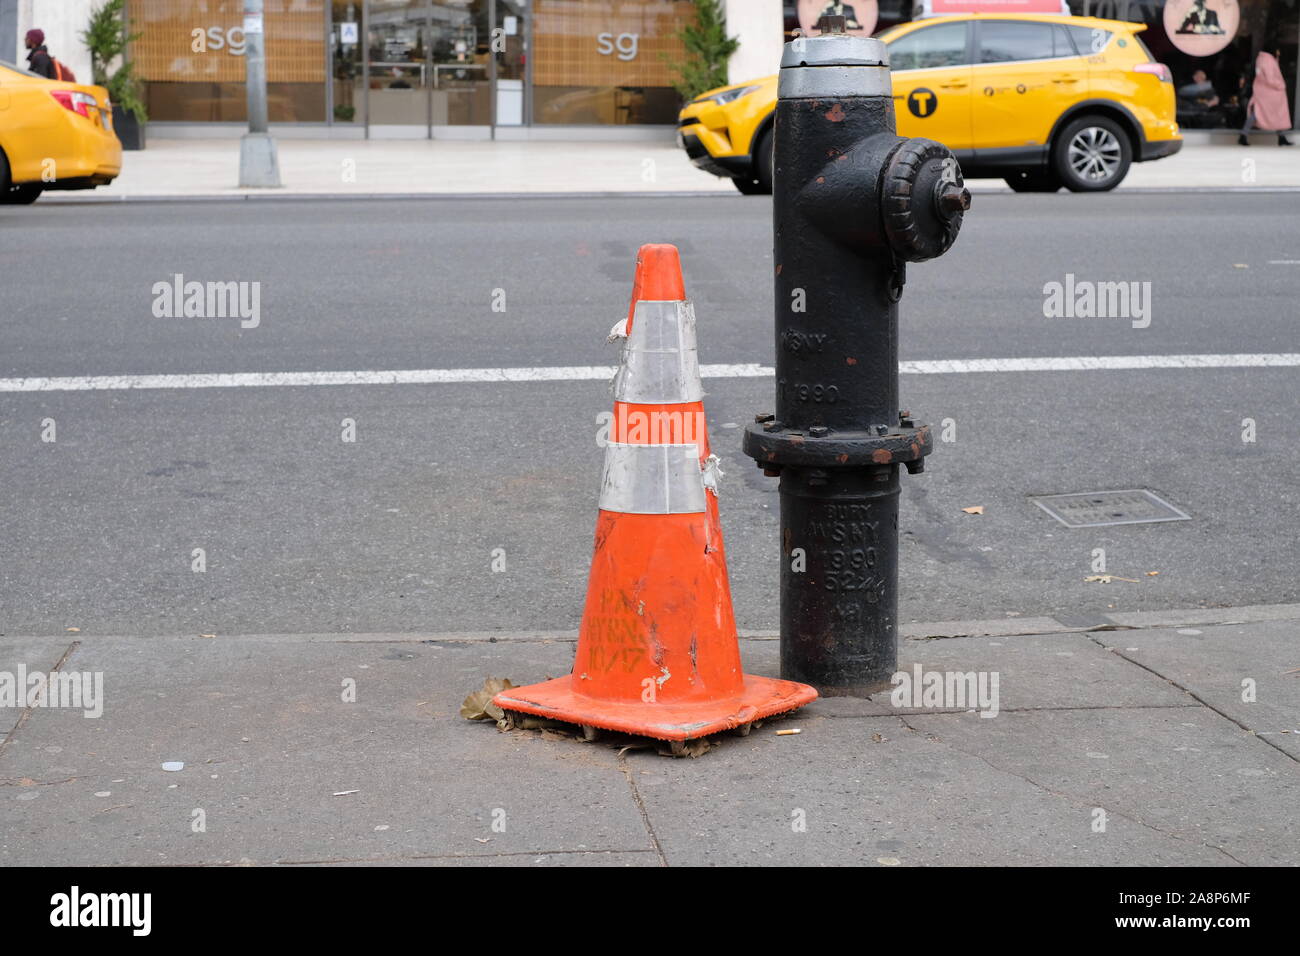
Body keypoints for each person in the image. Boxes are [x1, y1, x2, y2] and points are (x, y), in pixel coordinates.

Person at [1239, 48, 1294, 146]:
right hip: (1269, 92)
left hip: (1263, 91)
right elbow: (1270, 78)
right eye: (1277, 50)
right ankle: (1243, 136)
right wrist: (1281, 85)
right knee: (1273, 112)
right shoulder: (1268, 60)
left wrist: (1276, 60)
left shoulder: (1262, 59)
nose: (1279, 52)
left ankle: (1281, 138)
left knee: (1262, 112)